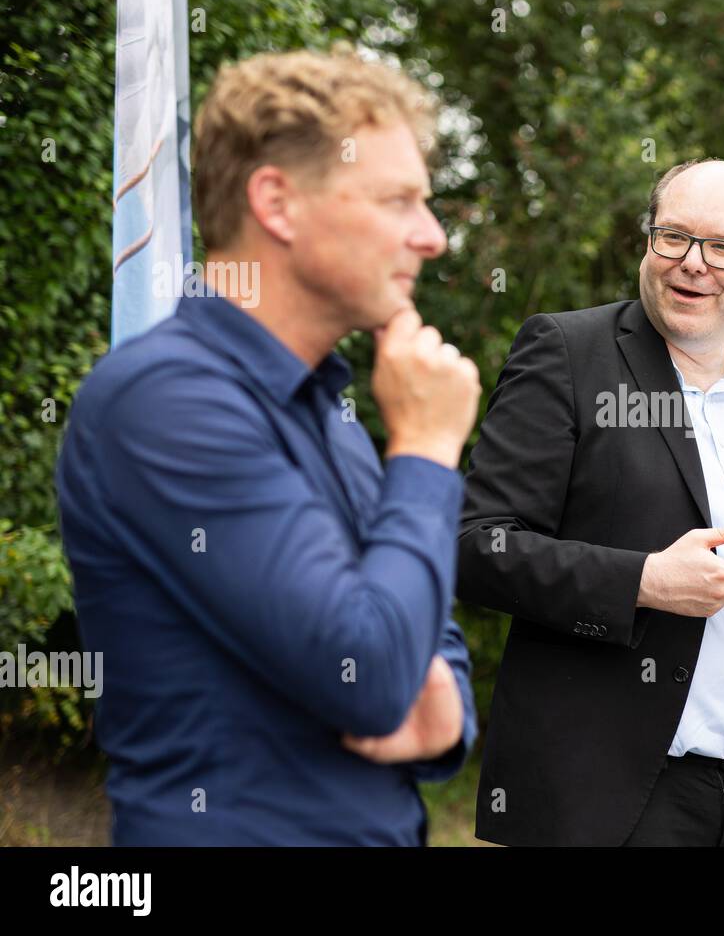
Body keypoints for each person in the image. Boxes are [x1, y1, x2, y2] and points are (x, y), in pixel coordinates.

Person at [56, 48, 481, 845]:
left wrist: (444, 705)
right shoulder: (165, 401)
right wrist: (425, 448)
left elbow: (427, 630)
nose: (433, 238)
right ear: (277, 203)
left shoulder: (329, 404)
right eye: (398, 201)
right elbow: (375, 669)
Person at [457, 158, 724, 847]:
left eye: (722, 247)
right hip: (612, 801)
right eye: (673, 238)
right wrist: (644, 582)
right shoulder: (568, 354)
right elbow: (477, 546)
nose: (693, 263)